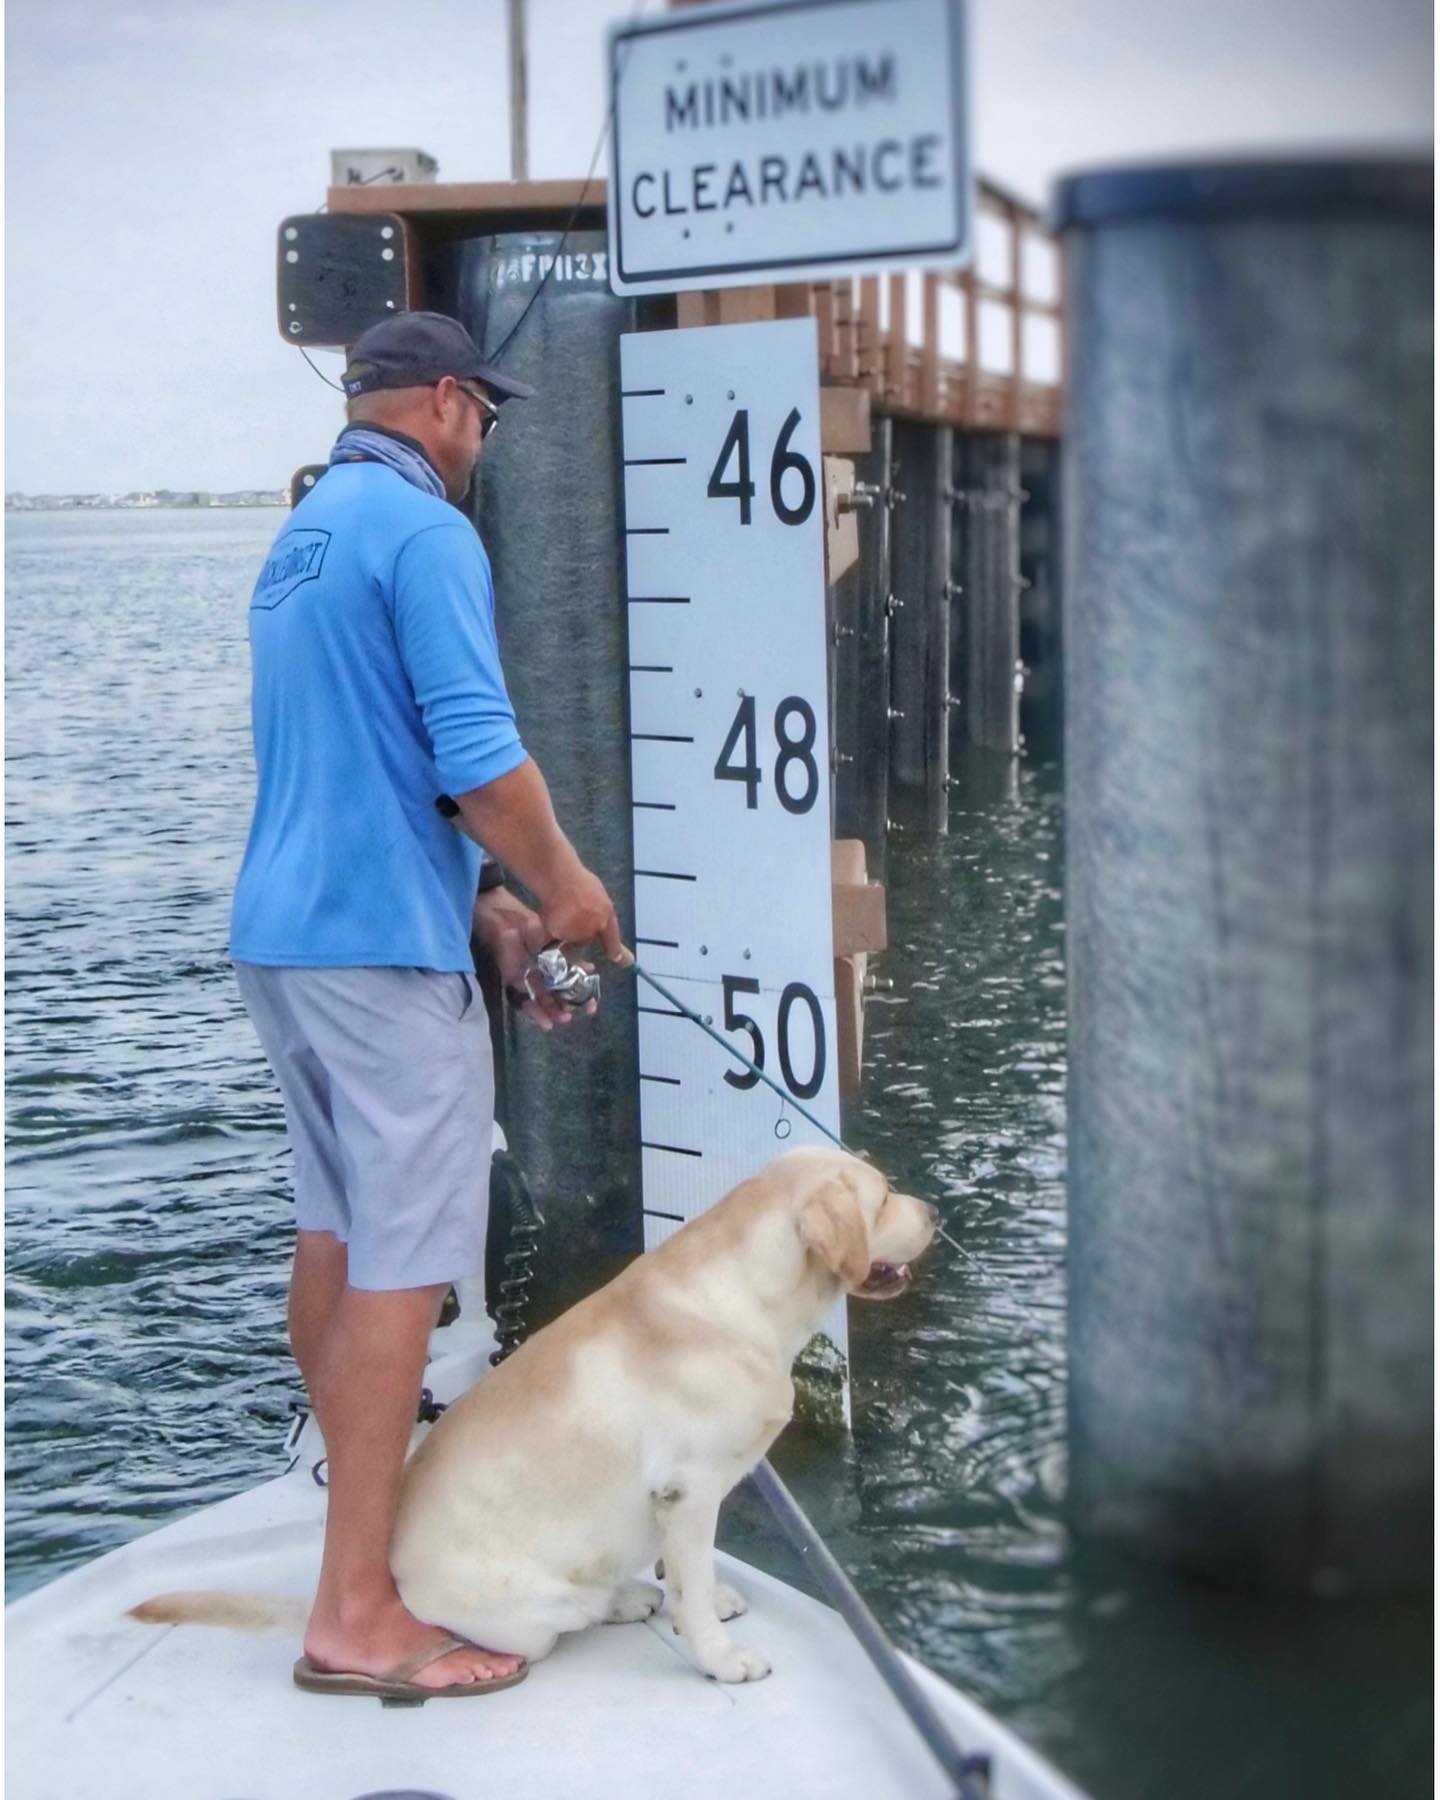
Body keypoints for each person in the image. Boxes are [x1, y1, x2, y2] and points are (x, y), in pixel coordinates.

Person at [229, 310, 624, 1697]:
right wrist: (569, 892)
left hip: (287, 942)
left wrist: (495, 916)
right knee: (407, 1260)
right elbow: (479, 758)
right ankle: (355, 1618)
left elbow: (361, 774)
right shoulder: (430, 534)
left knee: (335, 1232)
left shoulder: (302, 540)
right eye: (490, 416)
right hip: (380, 962)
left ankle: (358, 1526)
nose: (488, 441)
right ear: (448, 403)